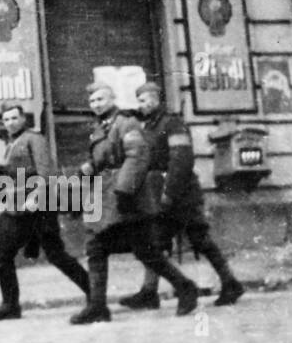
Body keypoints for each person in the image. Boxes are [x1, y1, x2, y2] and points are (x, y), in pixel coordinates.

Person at [71, 84, 200, 324]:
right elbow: (101, 158)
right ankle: (98, 306)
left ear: (113, 99)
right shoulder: (101, 127)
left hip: (125, 198)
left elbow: (138, 155)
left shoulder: (125, 123)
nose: (96, 104)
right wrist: (85, 169)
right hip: (105, 195)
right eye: (92, 100)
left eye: (101, 99)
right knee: (100, 247)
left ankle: (185, 287)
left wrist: (124, 189)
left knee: (140, 250)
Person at [119, 83, 244, 309]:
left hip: (182, 195)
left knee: (200, 241)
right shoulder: (147, 126)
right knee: (154, 243)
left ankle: (230, 282)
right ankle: (149, 292)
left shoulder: (173, 123)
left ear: (158, 99)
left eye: (148, 99)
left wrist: (169, 193)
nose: (143, 104)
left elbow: (181, 160)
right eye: (140, 100)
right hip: (159, 195)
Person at [0, 103, 88, 321]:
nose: (10, 123)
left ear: (24, 119)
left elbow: (46, 173)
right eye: (6, 119)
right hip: (18, 207)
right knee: (11, 253)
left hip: (36, 207)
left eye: (14, 118)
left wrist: (35, 199)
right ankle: (10, 305)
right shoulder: (12, 143)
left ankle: (94, 293)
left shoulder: (34, 139)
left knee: (50, 255)